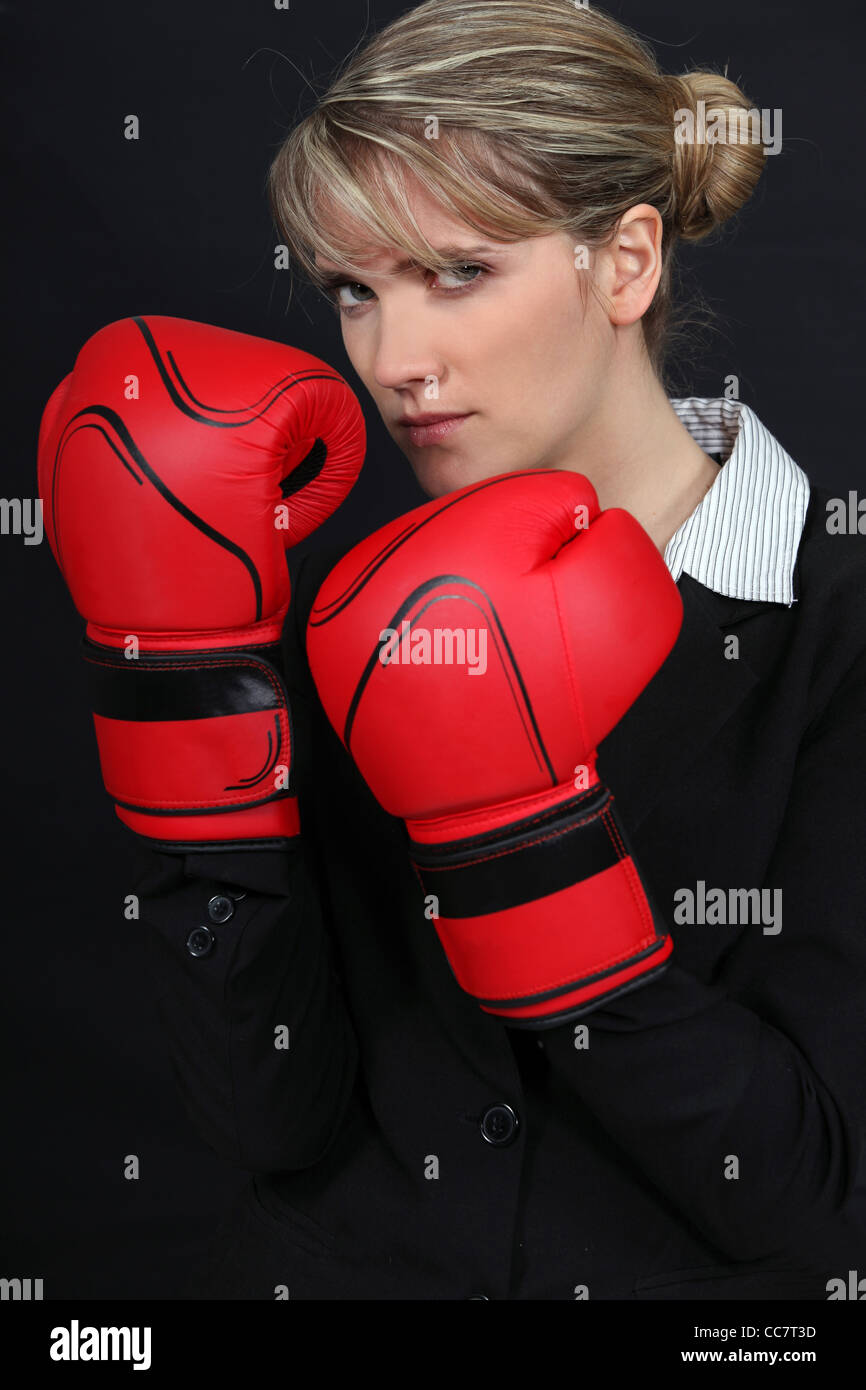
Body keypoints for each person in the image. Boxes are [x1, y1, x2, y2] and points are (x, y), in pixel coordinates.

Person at [39, 0, 866, 1300]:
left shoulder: (838, 629)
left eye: (456, 271)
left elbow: (812, 1198)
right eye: (355, 291)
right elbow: (269, 1118)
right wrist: (185, 701)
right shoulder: (323, 604)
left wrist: (529, 848)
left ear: (626, 261)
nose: (393, 360)